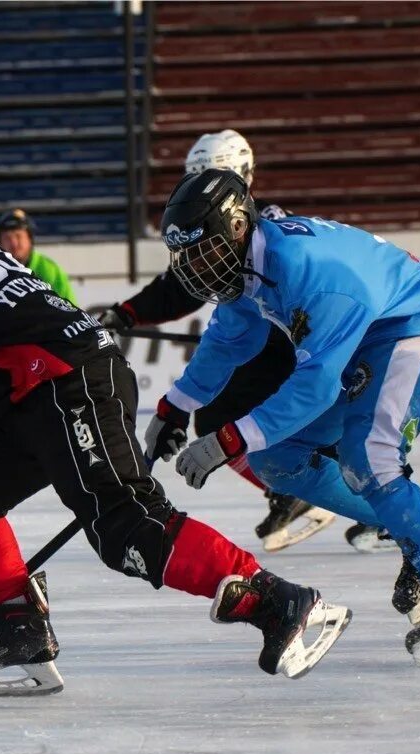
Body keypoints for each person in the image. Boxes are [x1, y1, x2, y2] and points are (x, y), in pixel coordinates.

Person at [0, 163, 350, 696]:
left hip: (66, 387)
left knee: (128, 527)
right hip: (54, 385)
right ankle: (19, 624)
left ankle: (278, 601)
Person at [151, 168, 420, 666]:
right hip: (374, 330)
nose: (193, 268)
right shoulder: (246, 267)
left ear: (237, 228)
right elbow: (229, 341)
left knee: (371, 456)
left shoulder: (308, 271)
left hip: (417, 323)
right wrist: (176, 408)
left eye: (201, 251)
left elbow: (314, 386)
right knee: (278, 459)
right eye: (184, 256)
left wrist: (228, 439)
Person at [98, 129, 341, 553]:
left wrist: (128, 312)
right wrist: (129, 312)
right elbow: (185, 283)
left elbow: (181, 287)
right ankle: (355, 503)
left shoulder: (241, 226)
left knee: (220, 419)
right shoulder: (255, 217)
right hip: (278, 338)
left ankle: (318, 494)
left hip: (280, 341)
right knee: (301, 431)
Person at [0, 208, 77, 305]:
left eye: (18, 236)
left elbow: (70, 309)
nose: (13, 243)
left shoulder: (50, 270)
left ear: (30, 239)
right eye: (7, 238)